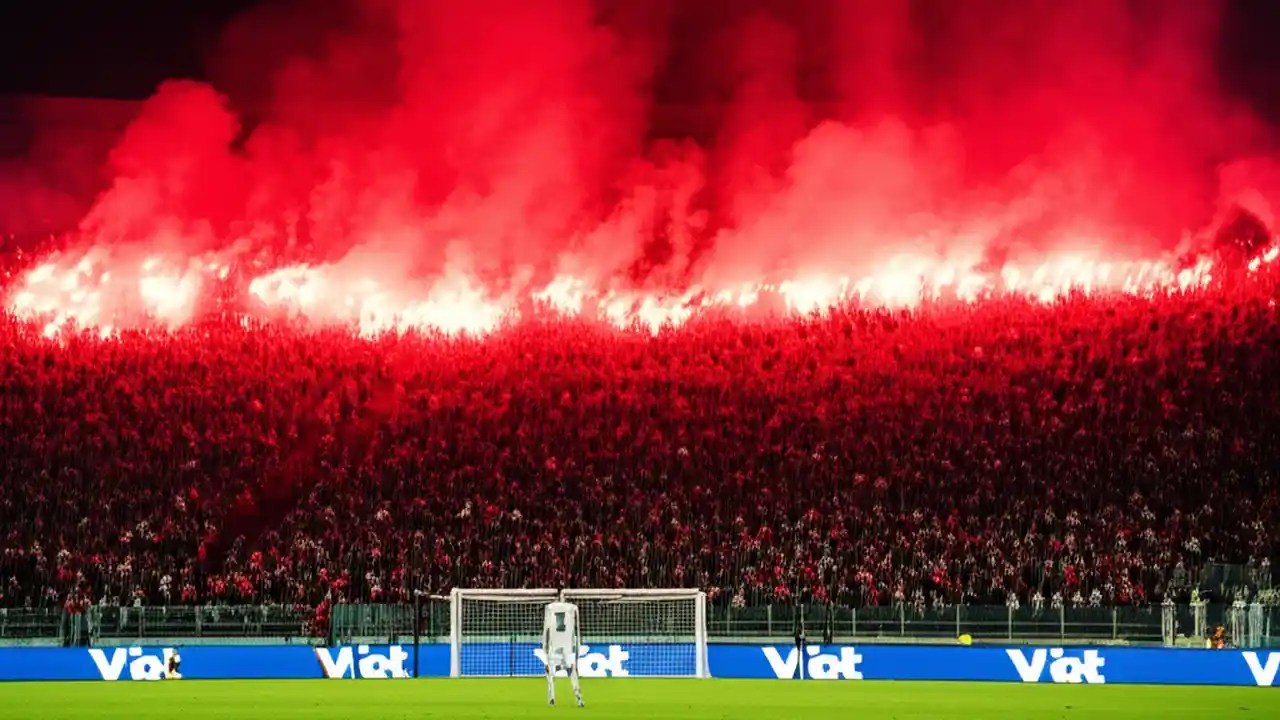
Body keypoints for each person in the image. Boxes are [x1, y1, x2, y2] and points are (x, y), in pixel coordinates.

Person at [543, 594, 584, 707]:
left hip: (555, 647)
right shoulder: (571, 610)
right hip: (567, 648)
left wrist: (545, 653)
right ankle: (579, 698)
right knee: (573, 673)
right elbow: (575, 636)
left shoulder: (550, 610)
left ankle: (551, 698)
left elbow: (546, 634)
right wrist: (576, 657)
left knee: (550, 672)